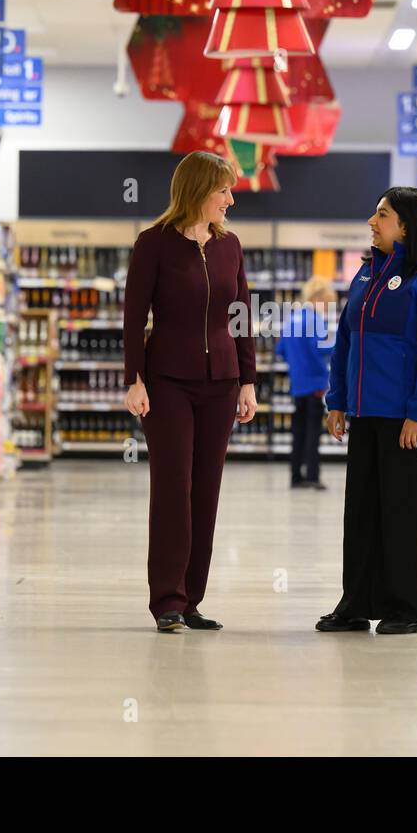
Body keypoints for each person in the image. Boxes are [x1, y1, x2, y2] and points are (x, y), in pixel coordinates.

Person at [123, 151, 258, 633]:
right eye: (223, 190)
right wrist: (133, 378)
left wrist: (248, 380)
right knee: (172, 489)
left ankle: (192, 599)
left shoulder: (230, 246)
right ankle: (167, 600)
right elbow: (134, 315)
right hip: (168, 382)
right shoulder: (153, 243)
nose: (230, 199)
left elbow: (241, 315)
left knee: (206, 490)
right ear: (198, 191)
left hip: (221, 384)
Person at [318, 186, 417, 635]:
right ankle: (355, 604)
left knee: (405, 514)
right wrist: (336, 400)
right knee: (360, 513)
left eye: (382, 214)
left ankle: (404, 609)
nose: (371, 222)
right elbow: (345, 341)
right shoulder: (367, 274)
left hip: (410, 422)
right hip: (364, 413)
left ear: (406, 225)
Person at [276, 276, 336, 490]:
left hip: (297, 383)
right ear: (319, 298)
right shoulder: (315, 319)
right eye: (328, 303)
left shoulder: (292, 318)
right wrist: (339, 344)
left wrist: (296, 363)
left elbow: (280, 350)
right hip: (315, 383)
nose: (328, 308)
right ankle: (312, 475)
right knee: (313, 431)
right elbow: (319, 348)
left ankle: (295, 475)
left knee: (298, 430)